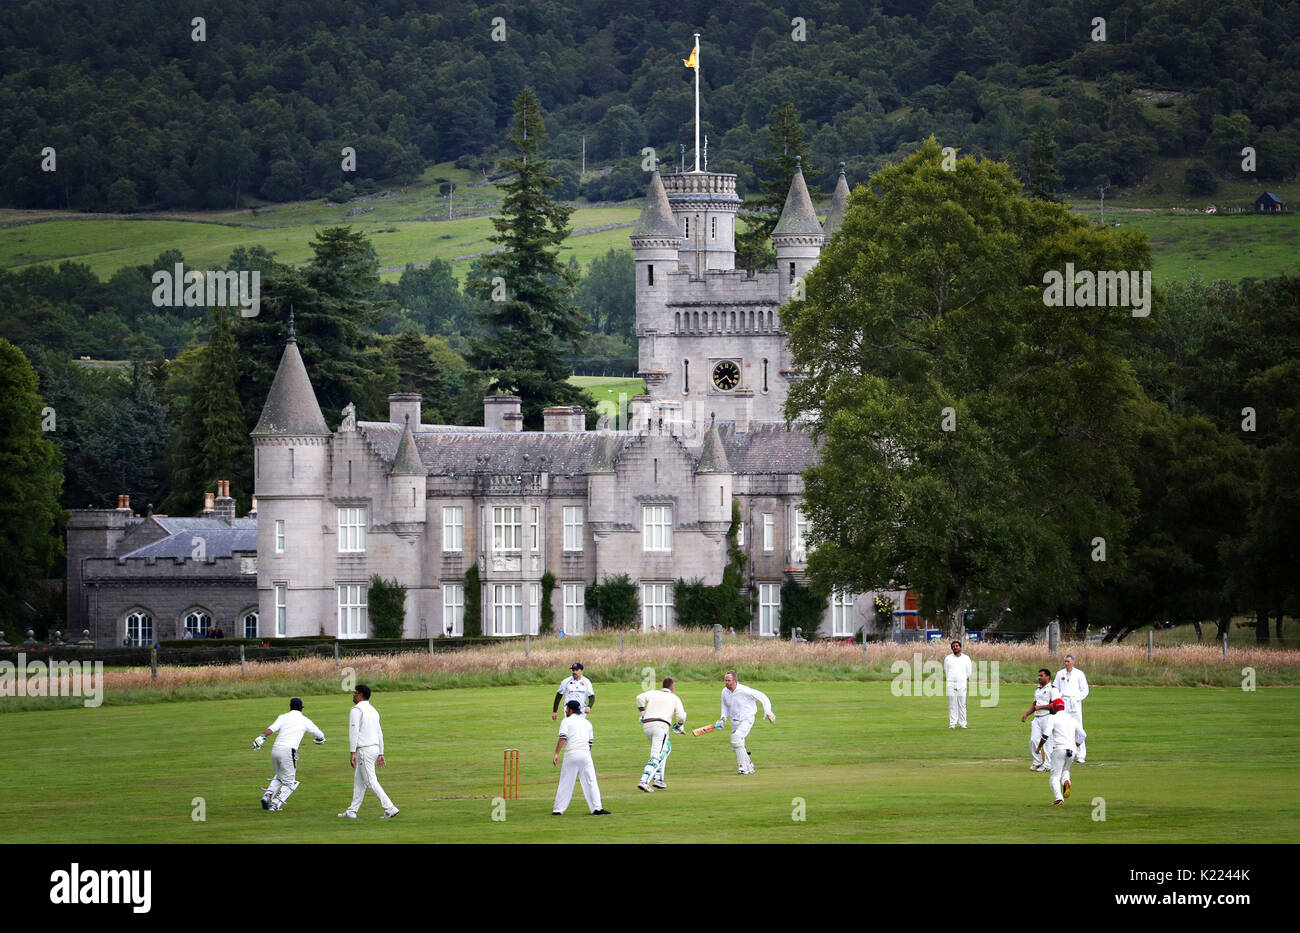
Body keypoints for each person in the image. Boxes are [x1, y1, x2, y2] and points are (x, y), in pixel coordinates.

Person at [338, 684, 399, 820]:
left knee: (370, 781)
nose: (353, 695)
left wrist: (352, 752)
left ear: (360, 695)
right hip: (374, 748)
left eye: (355, 693)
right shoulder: (373, 710)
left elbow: (354, 731)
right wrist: (381, 753)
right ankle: (352, 811)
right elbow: (379, 733)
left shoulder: (356, 710)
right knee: (359, 781)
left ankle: (390, 808)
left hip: (364, 750)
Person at [253, 697, 325, 811]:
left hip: (275, 750)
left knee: (280, 776)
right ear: (302, 708)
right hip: (288, 752)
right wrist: (320, 739)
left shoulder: (283, 717)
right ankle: (275, 804)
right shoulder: (305, 720)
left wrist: (261, 738)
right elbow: (320, 735)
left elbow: (271, 729)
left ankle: (267, 797)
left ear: (290, 707)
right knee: (291, 783)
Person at [552, 700, 610, 815]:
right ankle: (597, 808)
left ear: (571, 710)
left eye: (567, 709)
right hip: (585, 754)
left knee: (566, 782)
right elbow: (590, 742)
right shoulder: (587, 723)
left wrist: (556, 753)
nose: (566, 710)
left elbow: (562, 738)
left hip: (571, 754)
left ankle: (558, 809)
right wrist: (585, 755)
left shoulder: (566, 721)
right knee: (591, 781)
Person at [635, 676, 687, 792]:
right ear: (672, 687)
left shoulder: (653, 693)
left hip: (647, 727)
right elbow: (681, 716)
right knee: (656, 755)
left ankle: (658, 779)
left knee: (666, 748)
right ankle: (644, 781)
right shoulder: (674, 698)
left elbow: (639, 698)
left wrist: (644, 713)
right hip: (660, 728)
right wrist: (678, 726)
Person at [718, 670, 775, 775]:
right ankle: (749, 765)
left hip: (747, 719)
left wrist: (768, 710)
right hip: (734, 721)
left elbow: (762, 697)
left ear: (735, 681)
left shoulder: (745, 690)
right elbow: (725, 707)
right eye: (725, 680)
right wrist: (722, 719)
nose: (726, 682)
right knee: (736, 746)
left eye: (729, 680)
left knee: (736, 739)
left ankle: (743, 768)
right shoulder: (724, 692)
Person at [1036, 698, 1086, 805]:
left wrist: (1039, 747)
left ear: (1054, 707)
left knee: (1055, 776)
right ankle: (1066, 782)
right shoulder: (1072, 719)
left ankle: (1059, 798)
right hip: (1072, 750)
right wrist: (1075, 745)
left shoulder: (1053, 718)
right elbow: (1083, 735)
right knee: (1065, 771)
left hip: (1059, 749)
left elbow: (1045, 735)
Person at [1020, 669, 1060, 771]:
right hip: (1037, 718)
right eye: (1038, 675)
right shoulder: (1037, 689)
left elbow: (1055, 704)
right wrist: (1026, 714)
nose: (1039, 677)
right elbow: (1035, 705)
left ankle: (1047, 765)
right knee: (1033, 740)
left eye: (1041, 675)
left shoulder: (1053, 689)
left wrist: (1041, 707)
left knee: (1047, 742)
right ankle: (1037, 762)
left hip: (1048, 717)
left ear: (1047, 677)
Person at [1054, 654, 1090, 762]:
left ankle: (1081, 755)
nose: (1066, 664)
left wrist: (1076, 699)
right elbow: (1055, 687)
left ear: (1073, 662)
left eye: (1068, 662)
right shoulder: (1060, 674)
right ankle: (1066, 752)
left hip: (1074, 704)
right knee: (1064, 728)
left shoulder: (1079, 674)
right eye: (1065, 661)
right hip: (1063, 704)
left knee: (1078, 728)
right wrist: (1057, 698)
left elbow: (1085, 690)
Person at [943, 640, 973, 728]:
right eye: (953, 646)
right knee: (952, 704)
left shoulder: (966, 658)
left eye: (956, 646)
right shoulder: (948, 658)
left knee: (962, 704)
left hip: (962, 683)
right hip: (951, 683)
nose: (955, 647)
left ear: (960, 647)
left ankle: (963, 723)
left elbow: (969, 672)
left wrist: (962, 679)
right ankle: (952, 724)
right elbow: (946, 670)